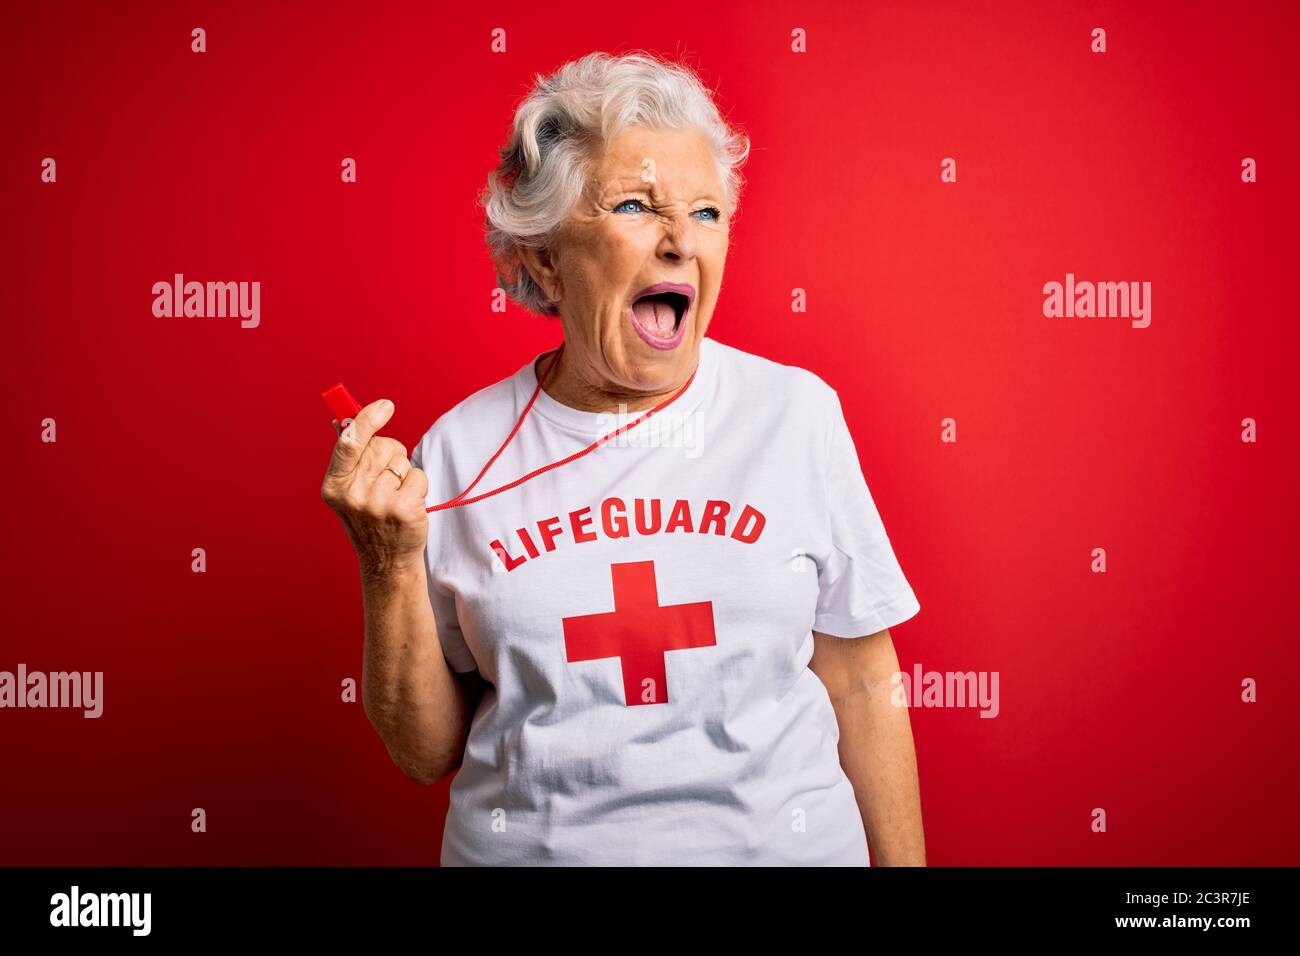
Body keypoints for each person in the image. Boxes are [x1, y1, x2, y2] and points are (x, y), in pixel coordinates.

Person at [321, 50, 926, 866]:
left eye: (706, 213)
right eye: (638, 205)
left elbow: (862, 685)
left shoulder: (795, 417)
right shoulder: (459, 455)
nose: (682, 242)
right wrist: (388, 565)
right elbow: (426, 751)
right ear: (543, 259)